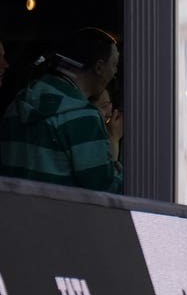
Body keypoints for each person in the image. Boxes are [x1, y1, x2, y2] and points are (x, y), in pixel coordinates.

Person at [0, 27, 123, 192]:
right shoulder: (83, 116)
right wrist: (113, 144)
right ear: (99, 67)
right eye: (114, 65)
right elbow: (107, 191)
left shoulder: (16, 105)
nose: (115, 73)